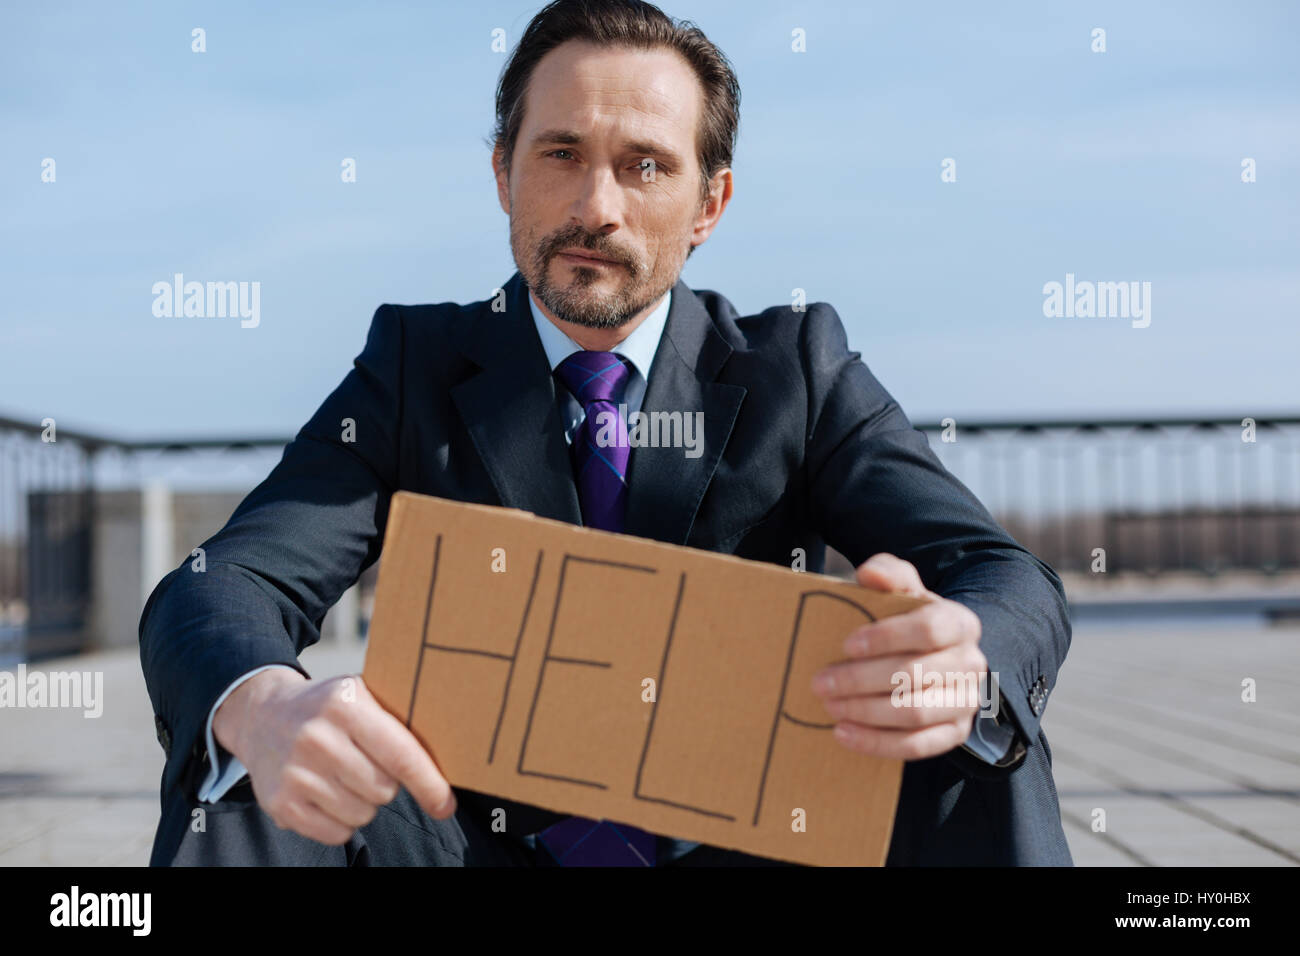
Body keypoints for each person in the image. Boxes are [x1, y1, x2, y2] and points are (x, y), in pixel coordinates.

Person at [140, 0, 1072, 867]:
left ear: (709, 204)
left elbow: (1004, 574)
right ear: (503, 173)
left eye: (646, 165)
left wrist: (965, 656)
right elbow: (227, 581)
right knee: (267, 768)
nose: (597, 207)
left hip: (752, 842)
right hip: (471, 845)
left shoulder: (798, 368)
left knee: (974, 735)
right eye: (560, 154)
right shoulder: (414, 363)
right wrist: (260, 704)